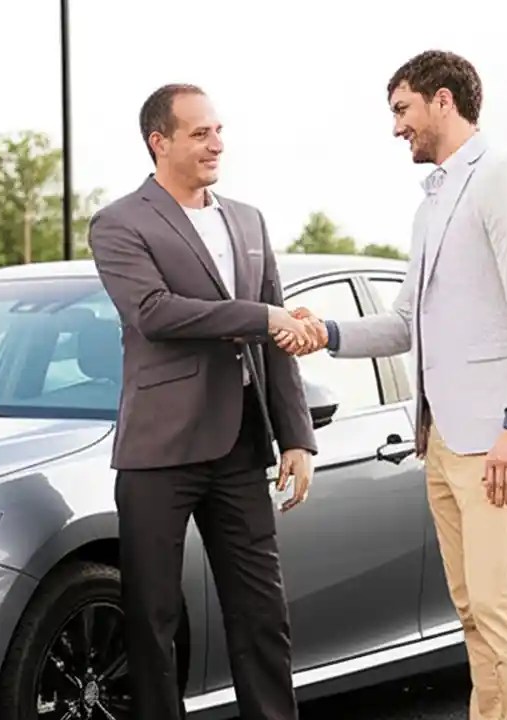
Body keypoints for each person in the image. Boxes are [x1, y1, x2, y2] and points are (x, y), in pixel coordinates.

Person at [280, 50, 507, 720]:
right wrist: (326, 331)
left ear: (443, 101)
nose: (395, 128)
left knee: (503, 605)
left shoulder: (504, 178)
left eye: (402, 109)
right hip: (442, 440)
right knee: (473, 609)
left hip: (495, 440)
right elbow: (407, 320)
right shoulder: (433, 203)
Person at [87, 83, 322, 720]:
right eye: (199, 133)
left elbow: (275, 340)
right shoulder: (119, 223)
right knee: (152, 618)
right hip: (158, 450)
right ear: (158, 142)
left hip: (242, 444)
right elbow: (155, 313)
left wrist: (295, 436)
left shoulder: (248, 219)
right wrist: (264, 313)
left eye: (218, 130)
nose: (216, 143)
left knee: (262, 615)